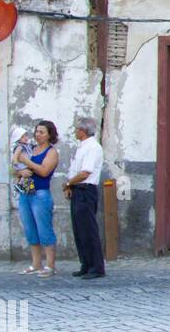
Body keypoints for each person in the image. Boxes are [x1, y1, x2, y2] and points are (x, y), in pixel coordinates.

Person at [13, 120, 60, 276]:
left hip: (40, 193)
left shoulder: (51, 152)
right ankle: (36, 264)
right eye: (37, 131)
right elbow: (15, 168)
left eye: (42, 132)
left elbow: (44, 171)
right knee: (30, 229)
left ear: (49, 135)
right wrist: (21, 172)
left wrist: (27, 161)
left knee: (44, 229)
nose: (38, 135)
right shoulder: (29, 148)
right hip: (25, 192)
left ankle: (50, 265)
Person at [63, 117, 106, 279]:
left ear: (83, 131)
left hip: (86, 190)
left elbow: (85, 173)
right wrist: (70, 186)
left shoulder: (92, 148)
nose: (75, 131)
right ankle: (86, 264)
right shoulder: (82, 147)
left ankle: (96, 267)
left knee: (88, 230)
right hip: (78, 189)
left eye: (77, 129)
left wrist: (68, 183)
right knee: (79, 230)